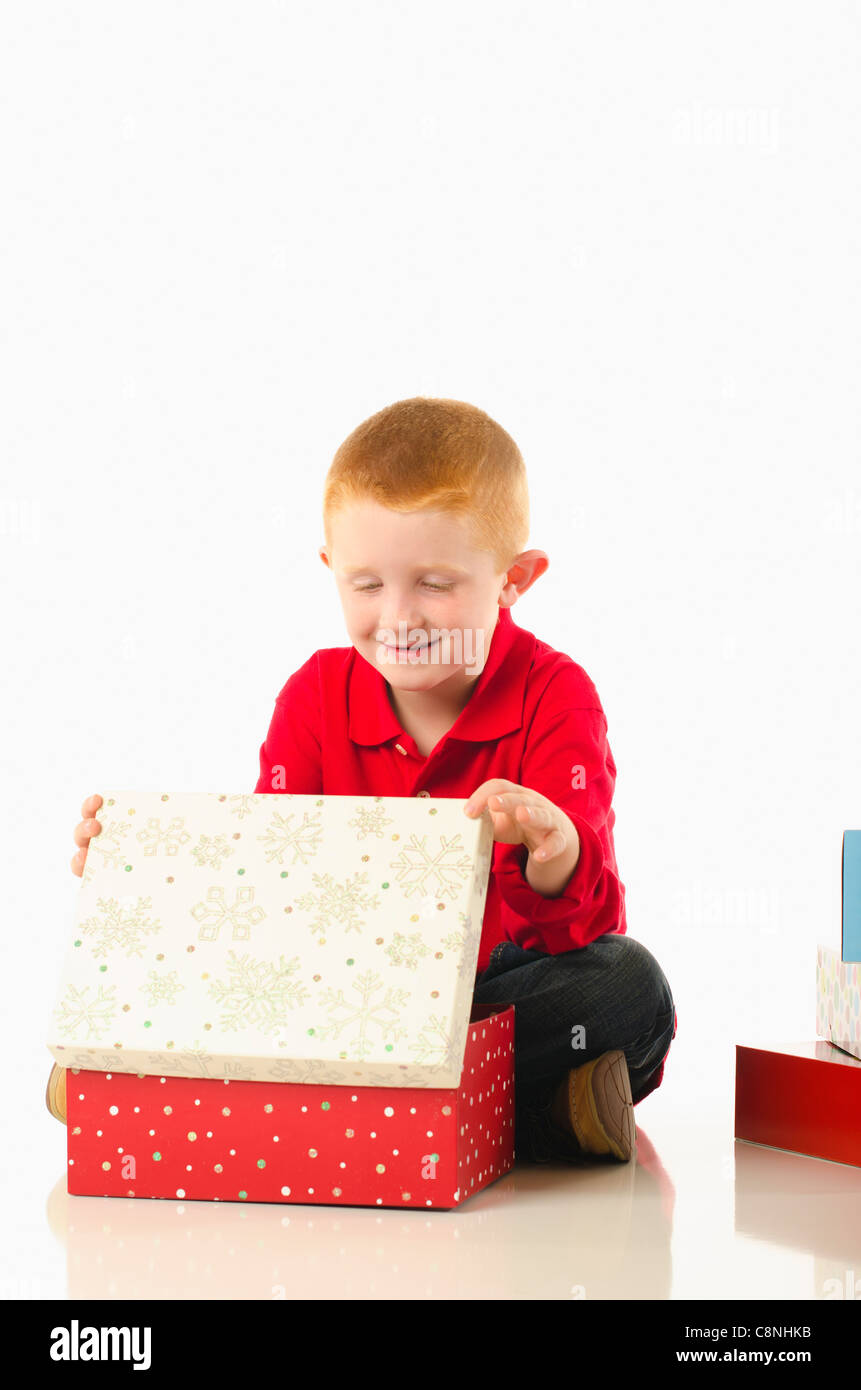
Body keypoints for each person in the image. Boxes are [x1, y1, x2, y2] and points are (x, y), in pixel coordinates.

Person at [60, 396, 676, 1164]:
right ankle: (535, 1109)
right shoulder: (314, 696)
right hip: (342, 995)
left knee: (627, 985)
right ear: (330, 571)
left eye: (434, 583)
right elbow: (265, 891)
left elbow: (584, 929)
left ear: (514, 578)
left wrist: (551, 849)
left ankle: (231, 1098)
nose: (398, 617)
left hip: (494, 984)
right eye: (366, 585)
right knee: (246, 992)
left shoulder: (556, 692)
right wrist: (148, 870)